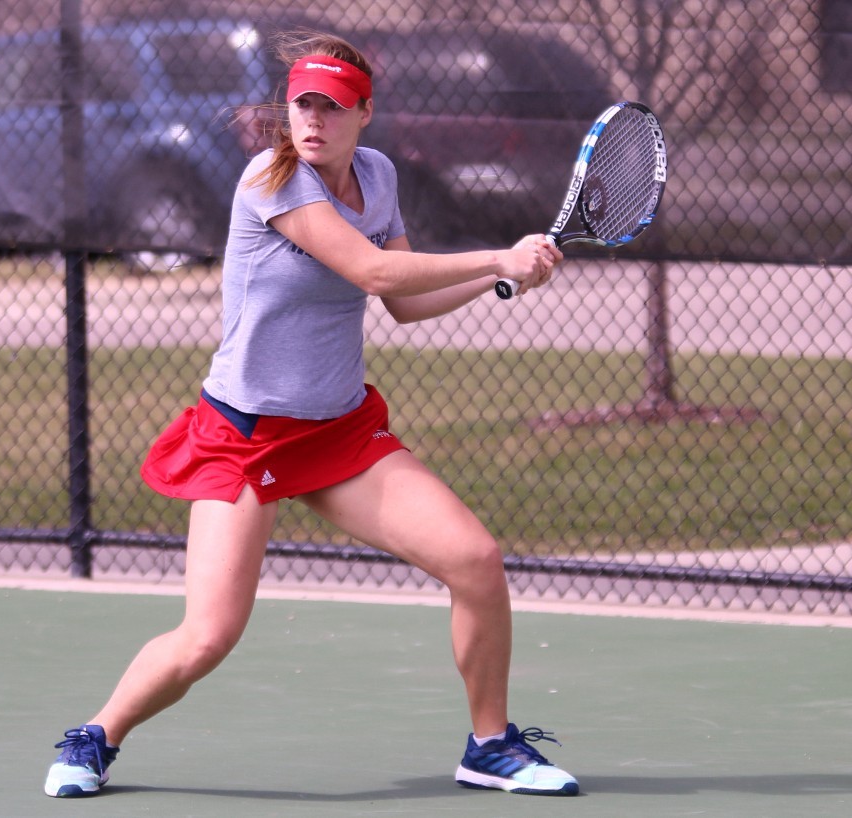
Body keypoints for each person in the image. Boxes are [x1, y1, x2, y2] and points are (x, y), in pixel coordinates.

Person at [43, 30, 577, 799]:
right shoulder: (273, 178)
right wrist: (497, 257)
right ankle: (96, 737)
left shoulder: (378, 175)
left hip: (339, 431)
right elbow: (372, 267)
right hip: (245, 436)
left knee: (476, 562)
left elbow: (402, 303)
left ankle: (490, 746)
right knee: (208, 637)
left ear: (364, 113)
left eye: (332, 107)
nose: (314, 120)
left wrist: (502, 285)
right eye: (303, 104)